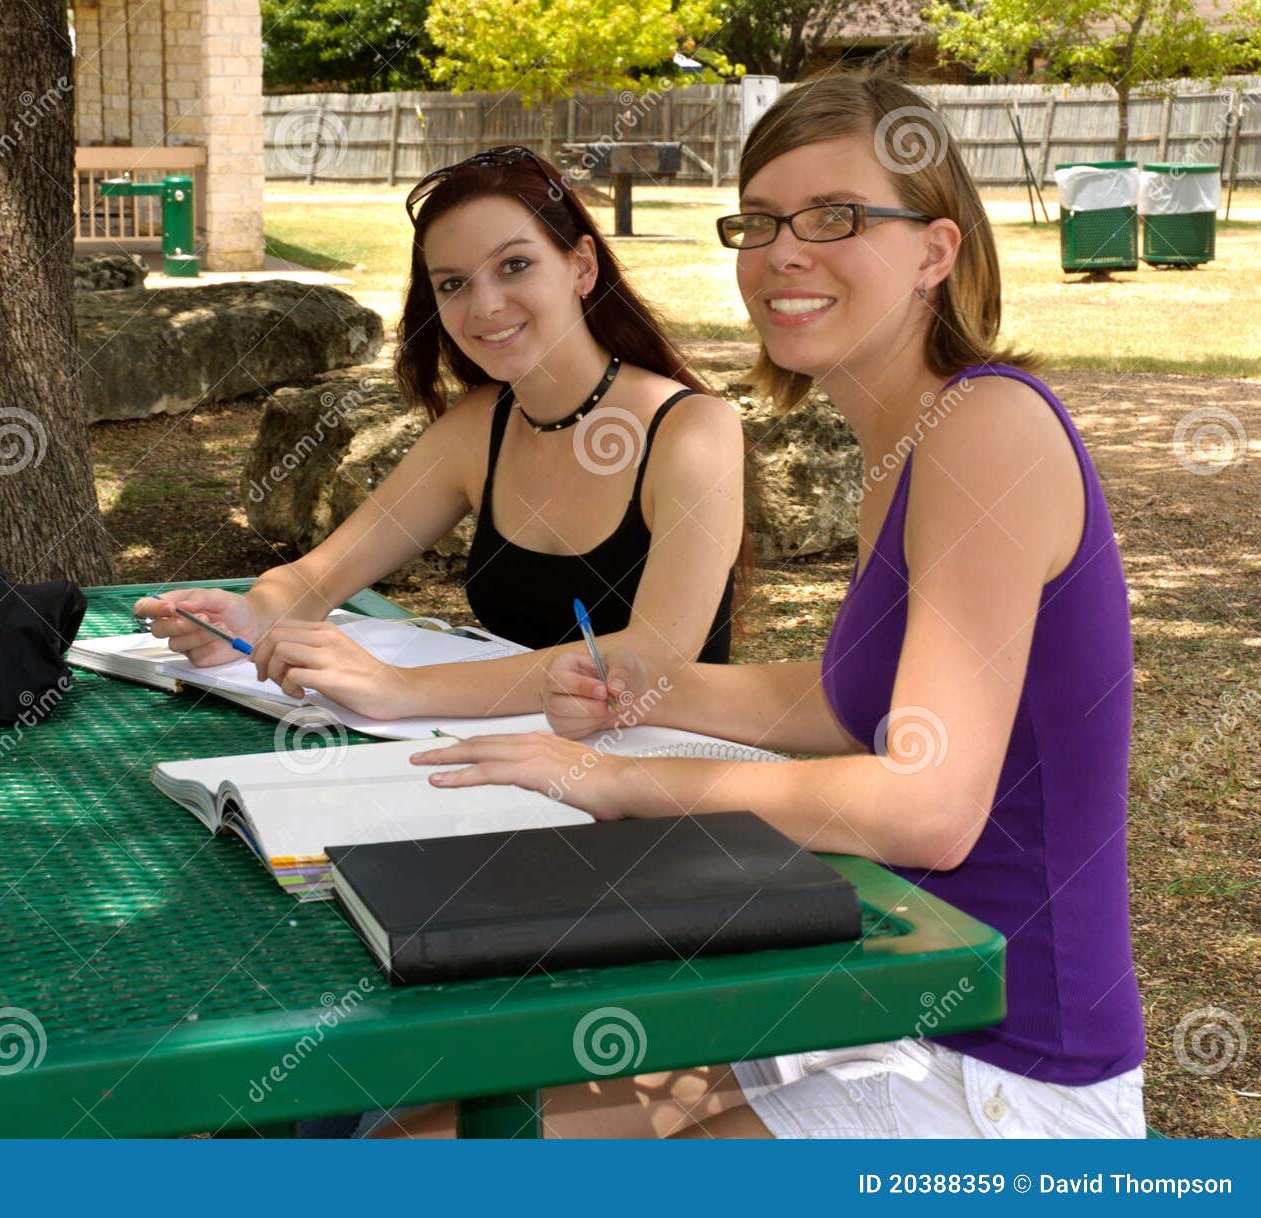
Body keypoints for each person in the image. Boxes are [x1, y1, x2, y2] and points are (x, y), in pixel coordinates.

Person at [406, 75, 1145, 1139]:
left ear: (935, 250)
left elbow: (928, 803)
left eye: (834, 218)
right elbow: (860, 704)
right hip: (879, 989)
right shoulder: (908, 442)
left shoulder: (989, 430)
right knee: (435, 1132)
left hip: (1008, 1065)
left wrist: (616, 781)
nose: (782, 252)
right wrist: (646, 689)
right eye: (759, 222)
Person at [135, 146, 748, 721]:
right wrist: (248, 617)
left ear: (581, 266)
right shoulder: (478, 428)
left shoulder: (693, 430)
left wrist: (400, 688)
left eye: (515, 265)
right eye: (453, 283)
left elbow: (653, 658)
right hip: (505, 767)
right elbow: (317, 578)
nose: (484, 307)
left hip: (657, 782)